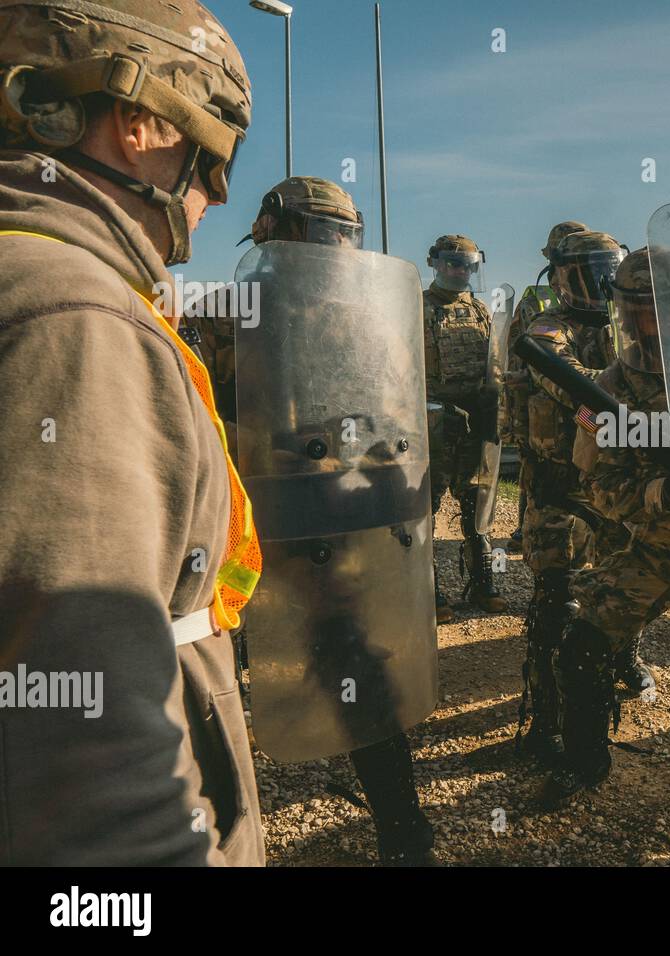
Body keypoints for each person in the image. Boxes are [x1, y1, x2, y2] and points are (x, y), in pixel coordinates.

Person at [0, 0, 263, 864]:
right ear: (146, 121)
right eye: (214, 157)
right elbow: (91, 775)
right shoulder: (76, 319)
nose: (213, 199)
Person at [223, 178, 438, 866]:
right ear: (272, 233)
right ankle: (216, 830)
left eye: (341, 238)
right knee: (213, 668)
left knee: (353, 664)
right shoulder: (227, 317)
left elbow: (391, 423)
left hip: (315, 531)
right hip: (233, 530)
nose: (332, 253)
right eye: (320, 236)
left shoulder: (365, 327)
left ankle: (404, 833)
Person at [537, 248, 670, 805]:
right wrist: (666, 492)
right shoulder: (607, 390)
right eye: (631, 306)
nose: (639, 319)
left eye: (654, 306)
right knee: (581, 645)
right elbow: (603, 488)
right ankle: (585, 760)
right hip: (663, 547)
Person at [516, 231, 639, 761]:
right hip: (560, 492)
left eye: (609, 270)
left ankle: (611, 680)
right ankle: (546, 721)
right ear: (565, 276)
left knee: (621, 595)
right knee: (557, 605)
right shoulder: (548, 330)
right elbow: (574, 385)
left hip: (614, 491)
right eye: (592, 271)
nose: (603, 283)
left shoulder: (629, 331)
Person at [424, 234, 508, 621]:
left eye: (467, 265)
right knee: (426, 507)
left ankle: (483, 582)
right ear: (436, 264)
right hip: (434, 421)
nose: (459, 271)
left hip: (476, 419)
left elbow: (494, 363)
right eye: (452, 263)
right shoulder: (415, 307)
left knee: (478, 503)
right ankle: (429, 590)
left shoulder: (480, 310)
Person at [505, 221, 590, 554]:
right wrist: (516, 418)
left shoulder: (600, 294)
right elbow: (516, 359)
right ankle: (532, 536)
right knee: (540, 478)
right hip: (543, 404)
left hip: (585, 404)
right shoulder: (536, 300)